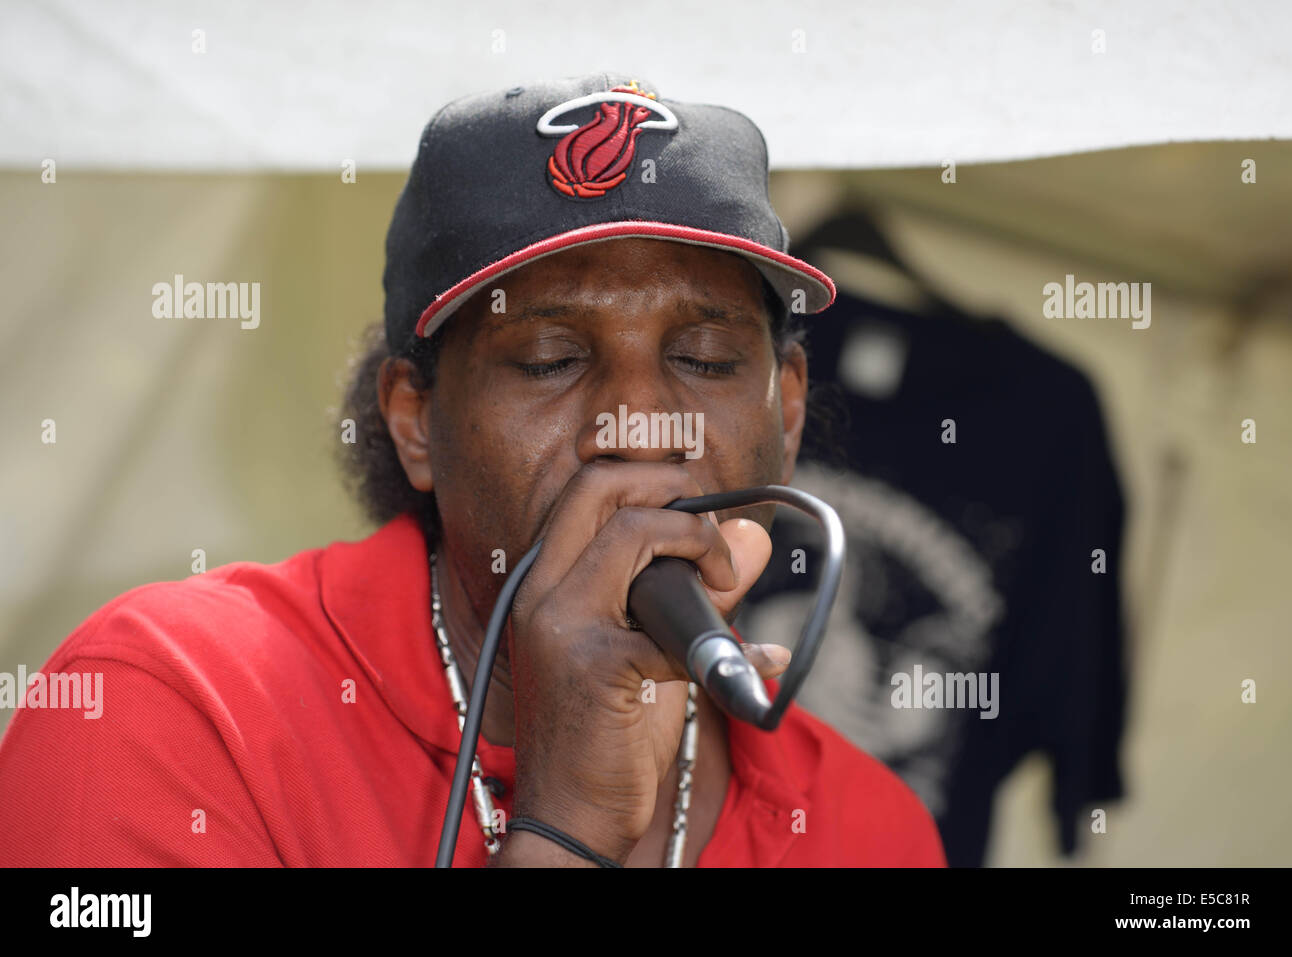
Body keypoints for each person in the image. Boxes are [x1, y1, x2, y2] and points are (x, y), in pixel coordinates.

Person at [0, 74, 946, 867]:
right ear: (415, 420)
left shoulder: (871, 830)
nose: (640, 419)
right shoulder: (169, 707)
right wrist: (567, 821)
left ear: (783, 411)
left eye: (703, 358)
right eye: (548, 359)